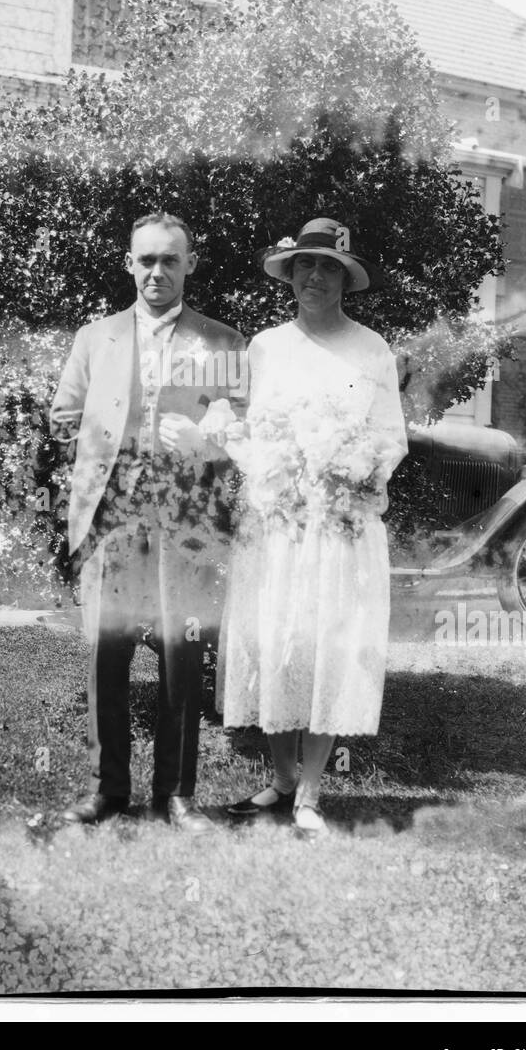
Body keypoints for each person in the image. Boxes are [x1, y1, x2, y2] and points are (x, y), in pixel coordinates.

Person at [51, 212, 247, 834]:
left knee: (180, 653)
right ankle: (107, 788)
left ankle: (177, 794)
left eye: (169, 260)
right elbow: (63, 418)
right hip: (113, 514)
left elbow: (243, 427)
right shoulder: (95, 338)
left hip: (183, 518)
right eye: (146, 260)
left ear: (190, 264)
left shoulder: (221, 340)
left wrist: (203, 442)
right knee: (105, 652)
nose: (156, 272)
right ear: (129, 264)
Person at [213, 218, 408, 838]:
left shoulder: (371, 348)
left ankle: (312, 794)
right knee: (274, 642)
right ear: (290, 274)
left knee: (324, 645)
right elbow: (245, 425)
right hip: (275, 524)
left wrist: (351, 470)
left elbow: (388, 438)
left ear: (345, 279)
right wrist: (253, 451)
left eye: (328, 267)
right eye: (305, 266)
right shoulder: (265, 347)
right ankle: (281, 779)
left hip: (337, 525)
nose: (315, 277)